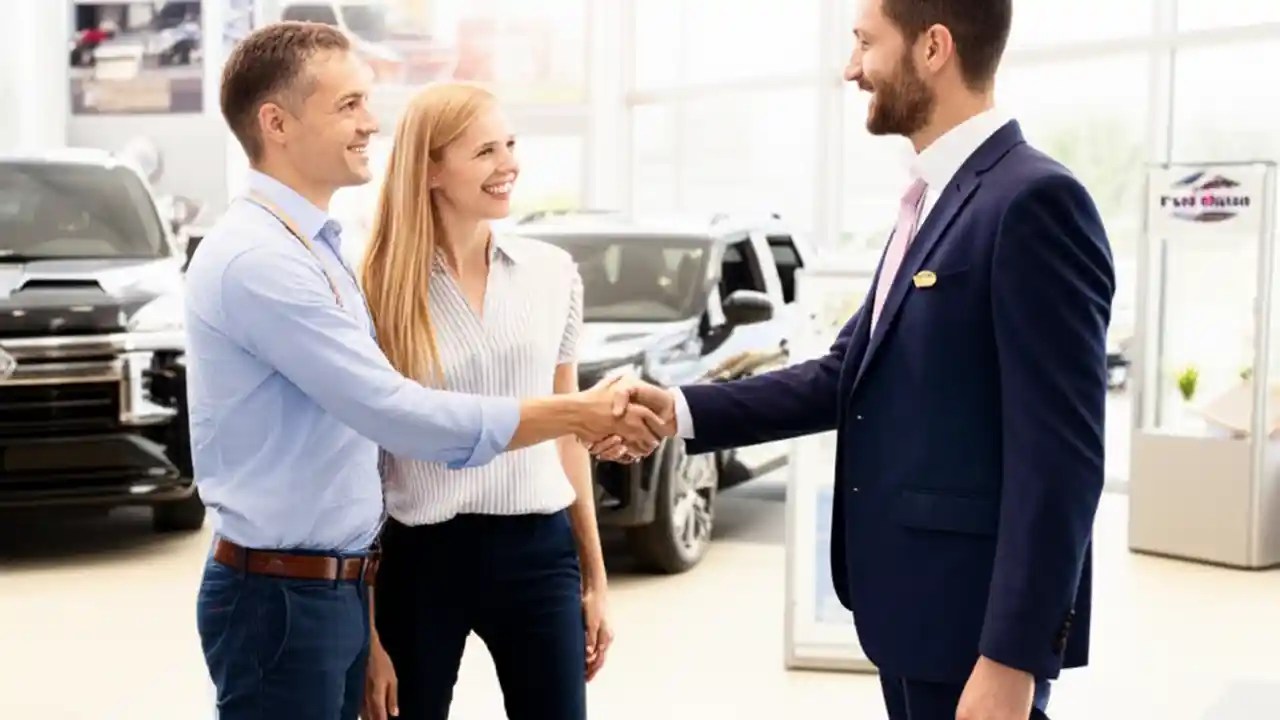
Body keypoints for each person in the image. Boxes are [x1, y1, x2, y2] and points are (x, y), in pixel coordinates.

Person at [594, 1, 1114, 718]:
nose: (850, 68)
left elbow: (1061, 462)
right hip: (914, 618)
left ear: (933, 47)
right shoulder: (936, 199)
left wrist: (1013, 659)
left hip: (973, 638)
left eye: (865, 43)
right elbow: (846, 374)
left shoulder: (1032, 202)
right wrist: (681, 407)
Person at [185, 23, 659, 720]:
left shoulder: (321, 254)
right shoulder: (272, 264)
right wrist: (580, 413)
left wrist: (593, 570)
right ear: (276, 123)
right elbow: (394, 417)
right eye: (347, 105)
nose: (370, 122)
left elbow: (356, 451)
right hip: (302, 589)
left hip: (345, 583)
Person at [353, 82, 610, 720]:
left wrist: (595, 576)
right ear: (432, 168)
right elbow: (357, 460)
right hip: (419, 558)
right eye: (485, 151)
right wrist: (369, 628)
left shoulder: (553, 273)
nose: (509, 164)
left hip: (538, 552)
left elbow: (567, 429)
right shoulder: (374, 288)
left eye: (511, 144)